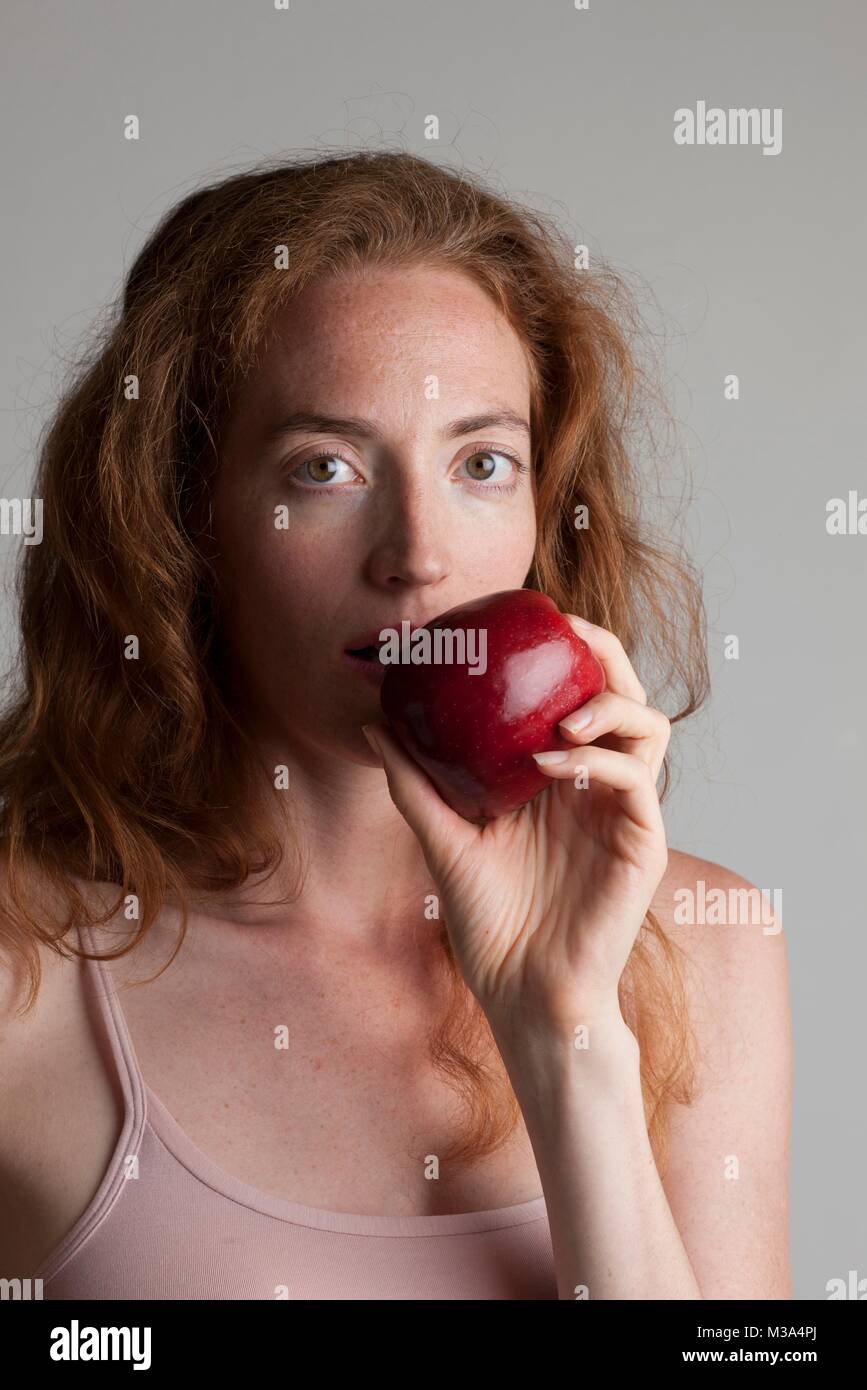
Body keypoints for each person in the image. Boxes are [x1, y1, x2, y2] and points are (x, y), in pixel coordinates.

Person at [0, 150, 791, 1300]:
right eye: (324, 467)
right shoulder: (26, 964)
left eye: (482, 462)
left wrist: (567, 1037)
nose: (417, 554)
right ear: (182, 515)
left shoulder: (708, 951)